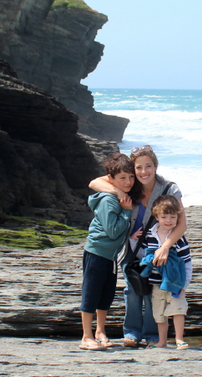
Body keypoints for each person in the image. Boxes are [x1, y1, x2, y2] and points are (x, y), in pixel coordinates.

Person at [89, 144, 186, 348]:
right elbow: (94, 183)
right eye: (138, 168)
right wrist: (118, 192)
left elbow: (182, 224)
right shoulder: (129, 187)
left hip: (158, 250)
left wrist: (166, 246)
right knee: (132, 291)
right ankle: (132, 332)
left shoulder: (169, 188)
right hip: (132, 250)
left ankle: (152, 336)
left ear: (155, 166)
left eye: (148, 166)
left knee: (153, 292)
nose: (144, 172)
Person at [79, 153, 136, 351]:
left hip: (110, 256)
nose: (128, 182)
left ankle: (100, 331)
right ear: (111, 179)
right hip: (97, 253)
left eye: (131, 177)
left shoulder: (118, 196)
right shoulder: (108, 200)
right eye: (123, 178)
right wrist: (127, 212)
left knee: (106, 295)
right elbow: (112, 231)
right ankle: (86, 336)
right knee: (91, 294)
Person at [141, 195, 193, 349]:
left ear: (178, 217)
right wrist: (132, 240)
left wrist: (185, 284)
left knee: (178, 310)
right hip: (157, 283)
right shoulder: (150, 235)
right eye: (164, 216)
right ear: (156, 216)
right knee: (159, 313)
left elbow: (187, 263)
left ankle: (179, 339)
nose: (168, 220)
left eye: (173, 216)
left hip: (176, 282)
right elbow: (144, 255)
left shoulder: (179, 239)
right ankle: (162, 341)